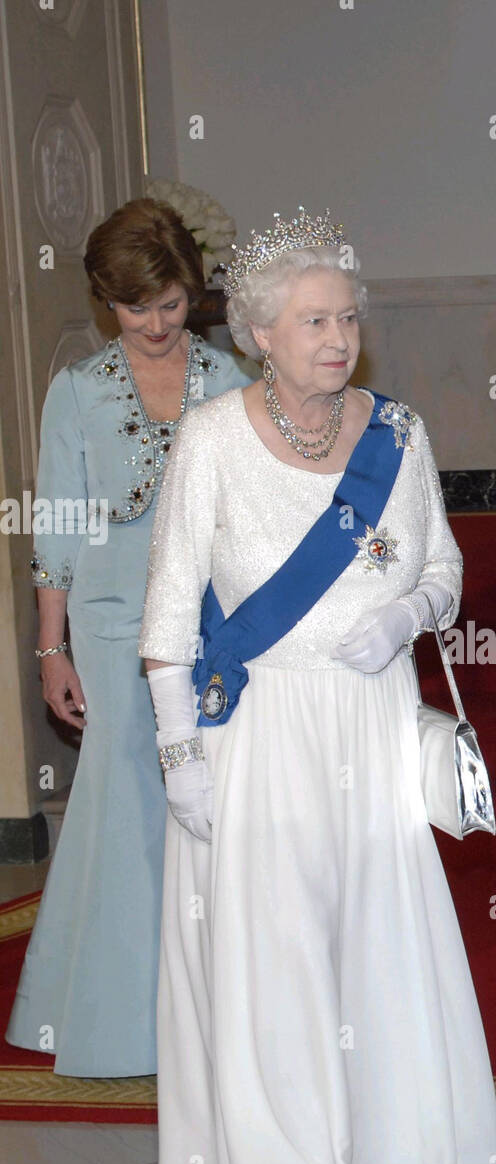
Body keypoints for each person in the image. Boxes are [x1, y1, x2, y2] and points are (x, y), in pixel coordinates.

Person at [138, 208, 496, 1164]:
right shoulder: (210, 439)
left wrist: (400, 619)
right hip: (261, 728)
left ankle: (386, 1140)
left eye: (347, 317)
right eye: (312, 320)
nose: (337, 337)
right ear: (259, 333)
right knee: (282, 958)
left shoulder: (396, 433)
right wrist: (180, 754)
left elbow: (441, 571)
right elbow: (168, 621)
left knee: (374, 936)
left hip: (373, 716)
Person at [5, 198, 251, 1077]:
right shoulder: (76, 392)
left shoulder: (230, 382)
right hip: (110, 634)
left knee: (207, 811)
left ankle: (219, 1017)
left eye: (172, 303)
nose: (155, 323)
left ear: (194, 292)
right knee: (124, 819)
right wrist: (50, 649)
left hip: (207, 627)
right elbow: (60, 528)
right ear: (105, 301)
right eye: (134, 305)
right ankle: (121, 1023)